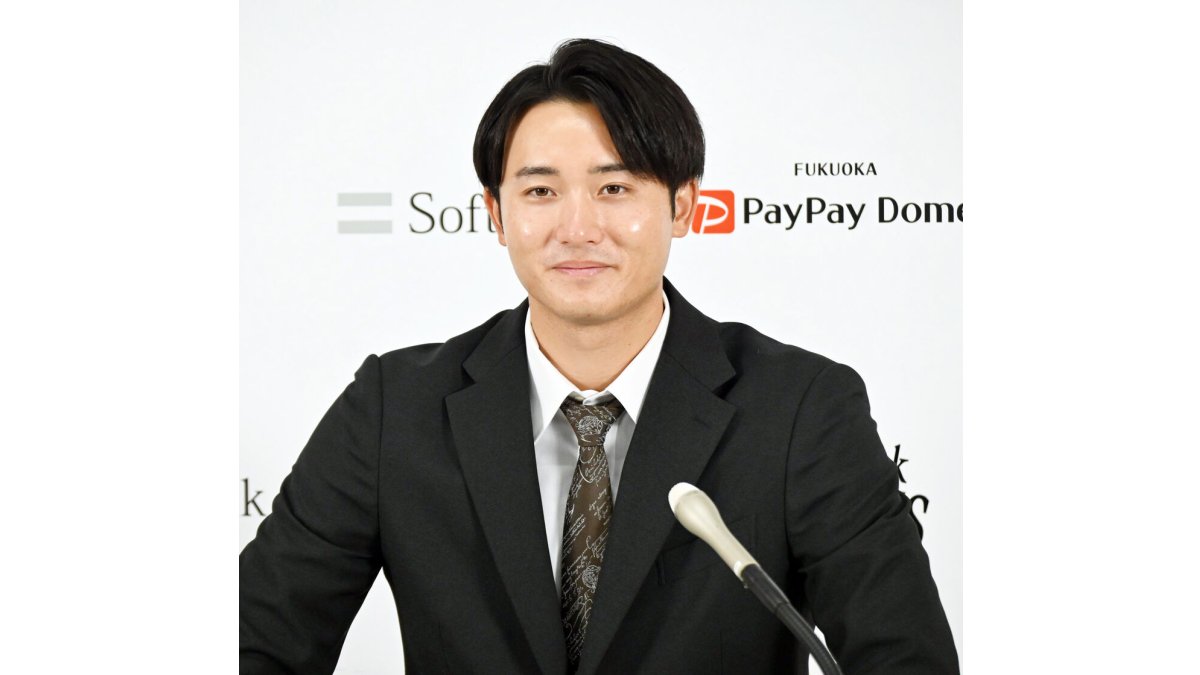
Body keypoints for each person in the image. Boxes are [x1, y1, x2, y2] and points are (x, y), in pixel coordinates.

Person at [240, 38, 959, 674]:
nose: (578, 227)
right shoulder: (392, 409)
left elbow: (904, 657)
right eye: (540, 190)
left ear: (684, 205)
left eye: (614, 188)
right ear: (495, 214)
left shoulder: (801, 409)